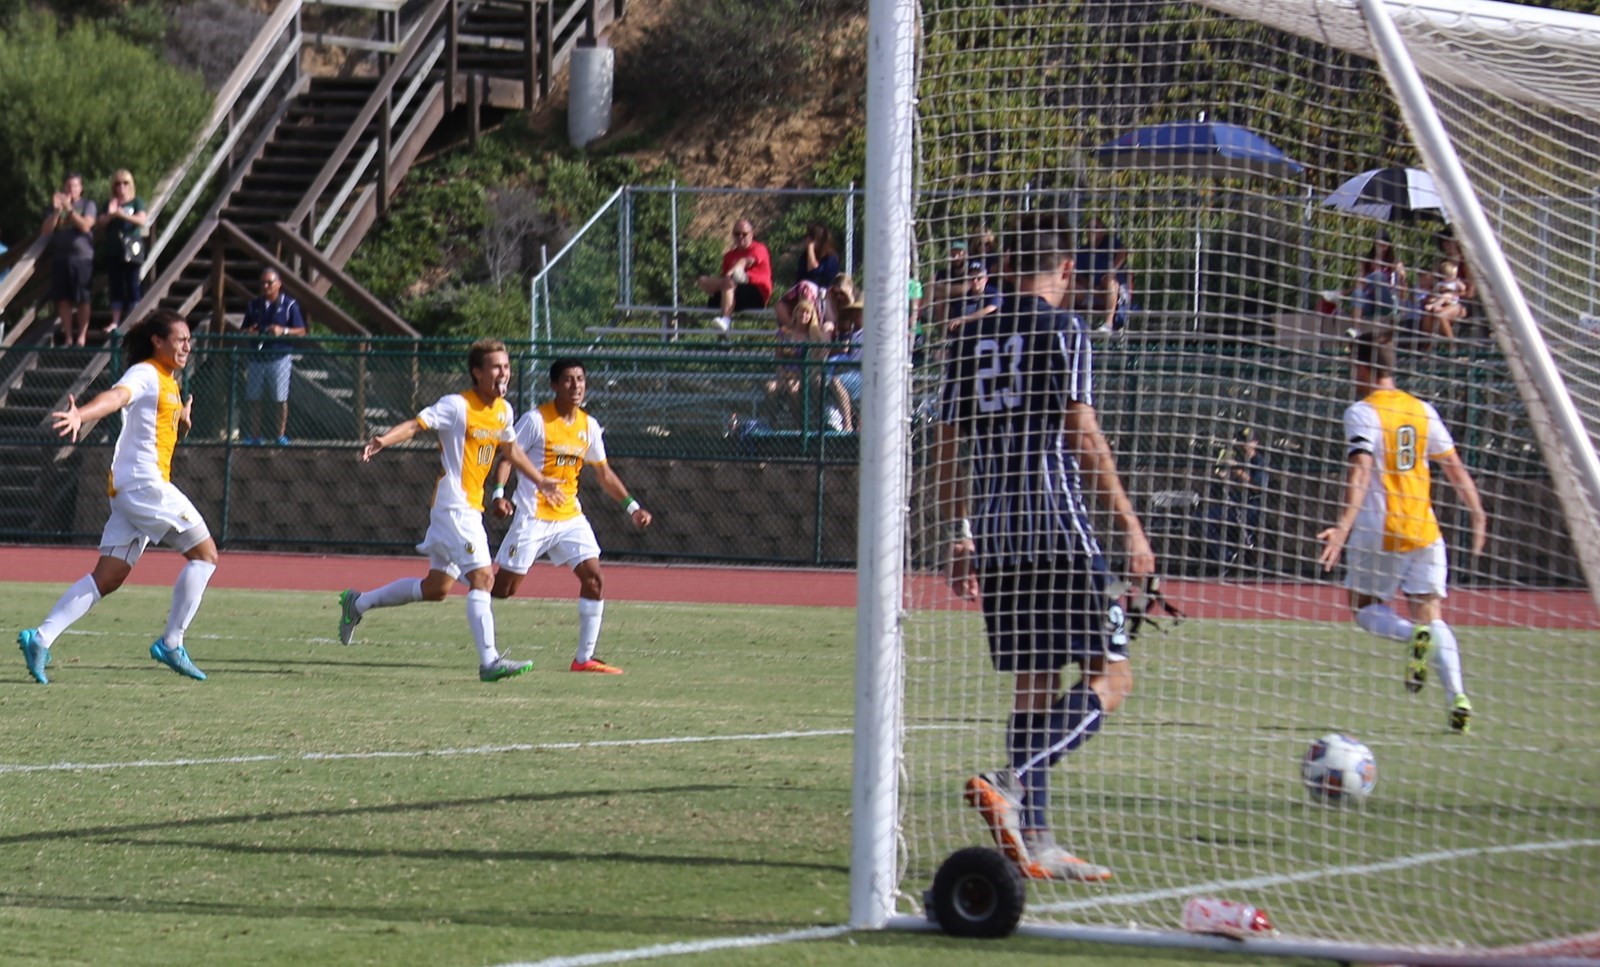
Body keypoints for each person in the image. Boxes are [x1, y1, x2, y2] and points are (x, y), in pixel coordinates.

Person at [935, 214, 1155, 882]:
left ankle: (1034, 840)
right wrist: (1131, 527)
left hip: (999, 536)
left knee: (1035, 684)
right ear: (1065, 271)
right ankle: (1015, 778)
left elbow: (947, 446)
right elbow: (1082, 432)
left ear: (1004, 268)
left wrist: (959, 534)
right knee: (1112, 677)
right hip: (1060, 528)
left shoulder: (966, 339)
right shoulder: (1065, 329)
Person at [335, 339, 566, 682]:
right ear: (477, 372)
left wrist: (541, 480)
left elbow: (512, 450)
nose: (504, 373)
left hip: (468, 507)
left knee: (435, 589)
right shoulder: (457, 405)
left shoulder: (503, 409)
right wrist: (384, 439)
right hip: (453, 506)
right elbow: (417, 425)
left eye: (506, 366)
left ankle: (357, 603)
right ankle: (490, 663)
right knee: (484, 577)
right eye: (496, 367)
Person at [17, 310, 215, 684]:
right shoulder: (146, 373)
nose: (187, 345)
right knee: (206, 555)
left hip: (129, 489)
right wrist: (82, 416)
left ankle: (40, 638)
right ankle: (172, 643)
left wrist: (181, 422)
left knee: (107, 578)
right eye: (180, 338)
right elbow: (116, 396)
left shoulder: (169, 382)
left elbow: (154, 427)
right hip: (145, 485)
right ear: (158, 341)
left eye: (189, 339)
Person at [1317, 330, 1488, 733]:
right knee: (1433, 613)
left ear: (1359, 367)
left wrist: (1342, 527)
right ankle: (1457, 698)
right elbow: (1454, 468)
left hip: (1381, 528)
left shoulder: (1362, 412)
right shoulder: (1423, 409)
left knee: (1363, 608)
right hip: (1425, 530)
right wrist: (1478, 513)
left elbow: (1360, 470)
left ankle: (1414, 636)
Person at [489, 357, 653, 674]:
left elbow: (604, 474)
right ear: (554, 385)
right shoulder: (536, 421)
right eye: (568, 379)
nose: (576, 385)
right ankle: (472, 591)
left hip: (569, 518)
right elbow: (508, 457)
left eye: (580, 379)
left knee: (594, 578)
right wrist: (499, 494)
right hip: (532, 517)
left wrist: (633, 507)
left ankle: (584, 659)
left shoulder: (588, 426)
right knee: (503, 590)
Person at [241, 269, 308, 445]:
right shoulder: (254, 305)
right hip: (257, 357)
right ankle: (254, 435)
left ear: (278, 284)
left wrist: (282, 330)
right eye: (262, 283)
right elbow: (245, 329)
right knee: (254, 398)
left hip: (279, 357)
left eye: (269, 283)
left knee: (280, 398)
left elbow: (301, 331)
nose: (265, 286)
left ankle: (280, 435)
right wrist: (251, 332)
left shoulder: (289, 305)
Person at [42, 173, 98, 347]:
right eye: (68, 186)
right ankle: (67, 337)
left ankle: (81, 336)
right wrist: (58, 211)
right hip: (60, 258)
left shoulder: (87, 204)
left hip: (81, 258)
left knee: (83, 298)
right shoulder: (55, 207)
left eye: (74, 186)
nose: (71, 190)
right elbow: (46, 231)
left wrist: (70, 210)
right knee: (63, 299)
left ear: (80, 188)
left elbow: (85, 225)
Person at [1204, 427, 1268, 569]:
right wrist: (1222, 476)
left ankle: (1230, 556)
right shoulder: (1233, 456)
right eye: (1241, 441)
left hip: (1251, 508)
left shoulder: (1258, 461)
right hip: (1233, 505)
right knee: (1201, 518)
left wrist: (1237, 470)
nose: (1243, 445)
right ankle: (1226, 556)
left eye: (1247, 442)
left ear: (1255, 443)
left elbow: (1259, 487)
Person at [96, 169, 150, 334]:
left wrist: (122, 215)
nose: (121, 187)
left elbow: (142, 220)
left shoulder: (136, 202)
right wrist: (112, 214)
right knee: (116, 286)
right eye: (118, 184)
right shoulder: (110, 203)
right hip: (114, 250)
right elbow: (101, 223)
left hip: (131, 249)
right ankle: (115, 321)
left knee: (133, 284)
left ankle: (135, 320)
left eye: (125, 183)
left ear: (130, 185)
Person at [696, 219, 773, 333]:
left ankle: (726, 320)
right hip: (732, 292)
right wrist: (724, 279)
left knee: (731, 280)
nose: (740, 237)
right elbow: (724, 279)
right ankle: (724, 333)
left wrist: (731, 273)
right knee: (704, 280)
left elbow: (745, 261)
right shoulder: (729, 256)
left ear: (752, 234)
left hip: (756, 294)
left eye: (744, 234)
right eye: (737, 234)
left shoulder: (759, 249)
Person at [1075, 218, 1131, 333]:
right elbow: (1079, 276)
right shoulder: (1083, 251)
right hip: (1092, 292)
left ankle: (1108, 324)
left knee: (1108, 281)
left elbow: (1123, 252)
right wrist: (1092, 288)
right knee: (1070, 286)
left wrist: (1112, 271)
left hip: (1114, 291)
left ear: (1103, 230)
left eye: (1096, 227)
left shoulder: (1111, 242)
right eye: (1089, 228)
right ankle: (1066, 324)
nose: (1092, 231)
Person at [1349, 231, 1407, 325]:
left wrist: (1402, 276)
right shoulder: (1367, 261)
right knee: (1357, 292)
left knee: (1378, 276)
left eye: (1384, 245)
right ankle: (1355, 329)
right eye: (1379, 245)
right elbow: (1358, 284)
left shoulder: (1393, 262)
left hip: (1386, 302)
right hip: (1370, 302)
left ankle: (1341, 293)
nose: (1381, 248)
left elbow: (1403, 287)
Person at [1418, 258, 1467, 343]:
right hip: (1441, 301)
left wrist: (1454, 292)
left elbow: (1464, 289)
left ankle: (1452, 345)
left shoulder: (1456, 282)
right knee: (1428, 314)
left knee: (1446, 297)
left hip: (1452, 301)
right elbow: (1433, 293)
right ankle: (1427, 347)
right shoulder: (1441, 284)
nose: (1449, 278)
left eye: (1451, 275)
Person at [947, 258, 1002, 332]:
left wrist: (963, 320)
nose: (975, 281)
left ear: (986, 279)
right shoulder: (963, 298)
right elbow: (956, 322)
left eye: (979, 278)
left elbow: (990, 309)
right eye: (972, 278)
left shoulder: (993, 293)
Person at [793, 222, 840, 289]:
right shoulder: (804, 257)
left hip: (825, 294)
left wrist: (810, 247)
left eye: (808, 237)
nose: (805, 239)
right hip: (804, 295)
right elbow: (799, 281)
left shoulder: (830, 259)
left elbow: (814, 273)